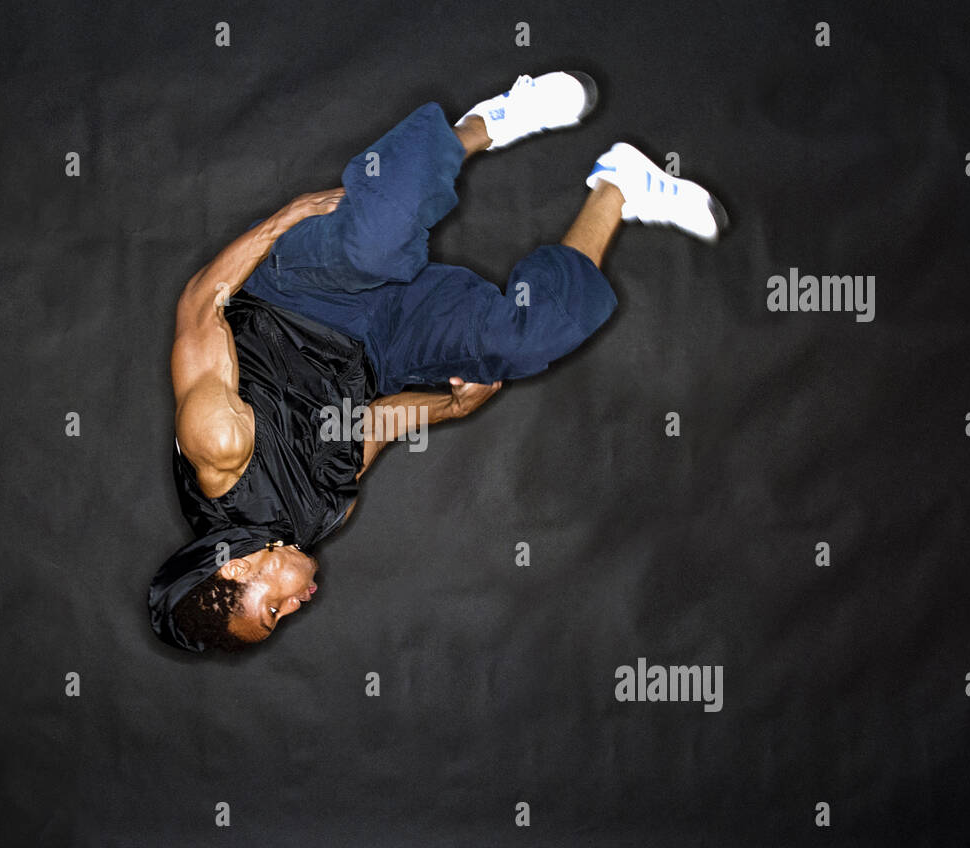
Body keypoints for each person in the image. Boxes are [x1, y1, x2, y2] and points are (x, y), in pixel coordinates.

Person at [149, 71, 728, 653]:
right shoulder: (312, 525)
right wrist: (450, 407)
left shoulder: (217, 448)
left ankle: (491, 122)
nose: (297, 606)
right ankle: (621, 186)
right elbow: (368, 426)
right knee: (523, 344)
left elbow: (200, 304)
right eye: (283, 617)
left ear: (238, 570)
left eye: (274, 609)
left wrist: (280, 221)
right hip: (380, 348)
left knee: (376, 237)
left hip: (297, 296)